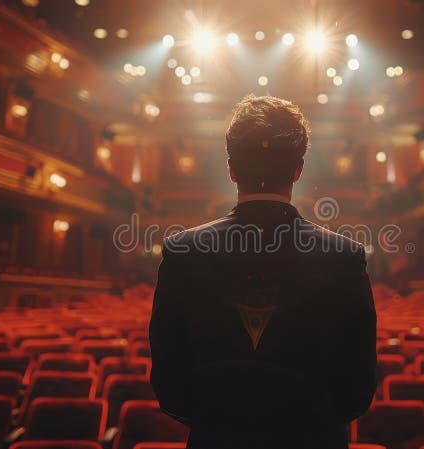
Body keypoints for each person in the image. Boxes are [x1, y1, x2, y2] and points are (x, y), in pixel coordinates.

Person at [149, 94, 376, 449]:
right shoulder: (344, 256)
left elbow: (169, 380)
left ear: (232, 169)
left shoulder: (183, 251)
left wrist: (224, 423)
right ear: (298, 170)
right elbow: (359, 385)